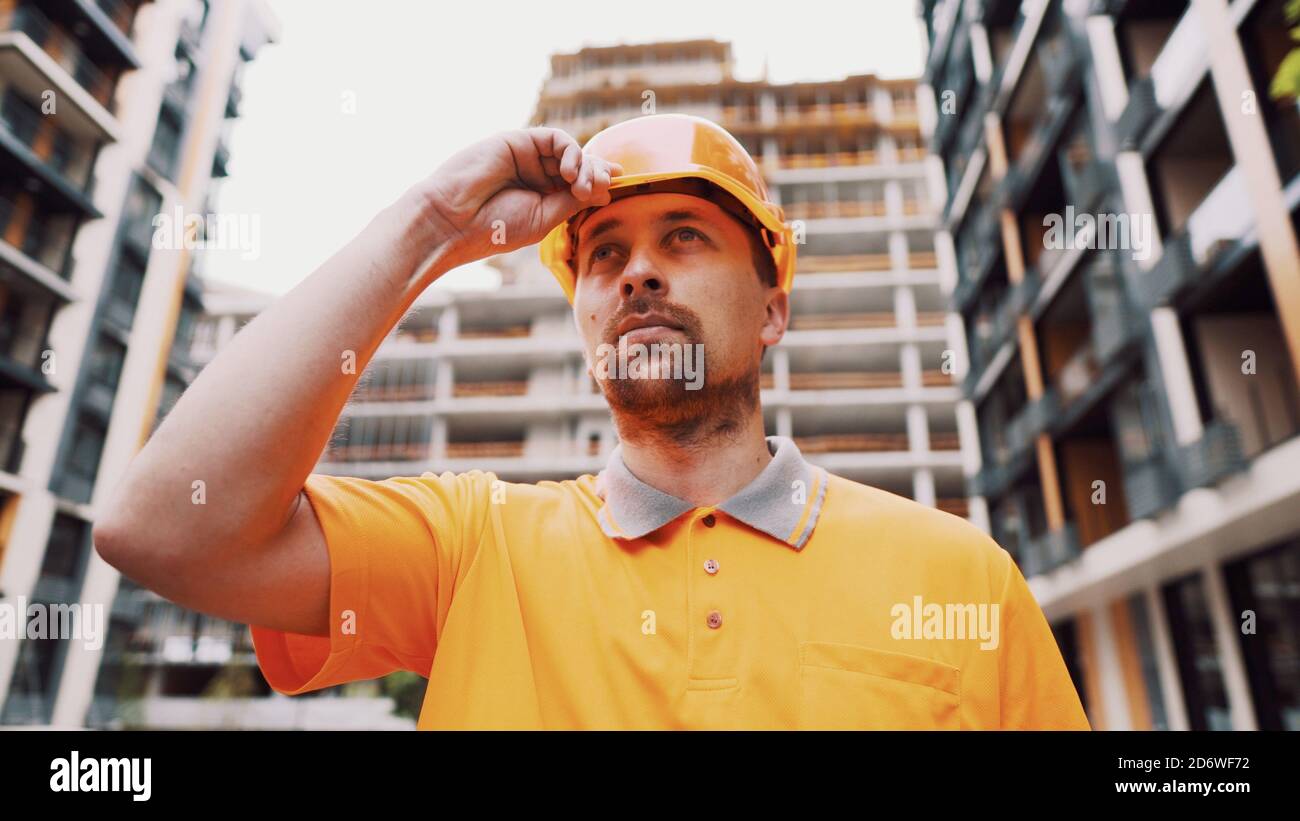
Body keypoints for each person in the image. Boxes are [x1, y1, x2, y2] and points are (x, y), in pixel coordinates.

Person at [95, 114, 1091, 730]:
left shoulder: (960, 580)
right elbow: (161, 528)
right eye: (605, 253)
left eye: (685, 237)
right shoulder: (472, 549)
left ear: (774, 305)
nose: (638, 271)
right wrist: (432, 225)